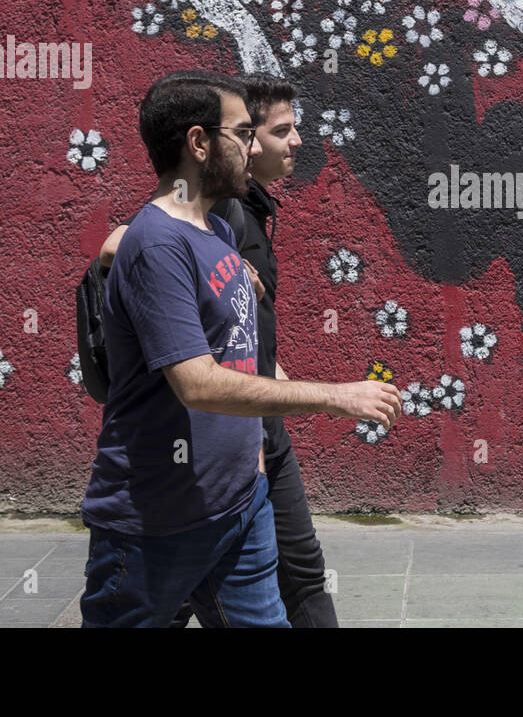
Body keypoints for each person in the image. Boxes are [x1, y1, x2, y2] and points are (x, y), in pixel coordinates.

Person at [80, 70, 401, 627]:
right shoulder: (158, 244)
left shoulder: (219, 234)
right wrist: (334, 397)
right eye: (243, 133)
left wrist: (253, 463)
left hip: (239, 506)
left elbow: (238, 351)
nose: (253, 147)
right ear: (200, 143)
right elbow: (197, 382)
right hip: (154, 522)